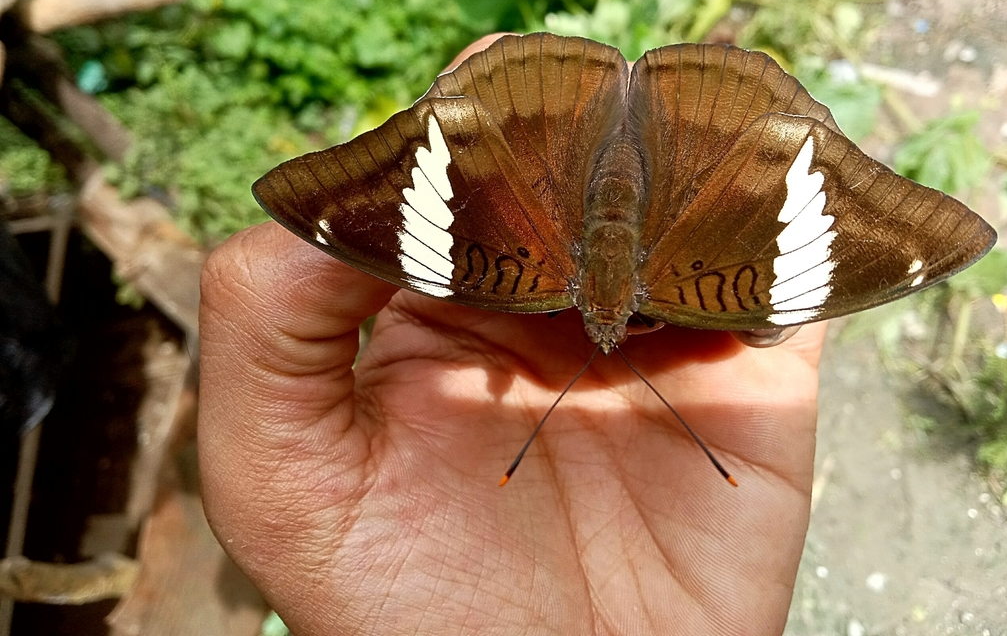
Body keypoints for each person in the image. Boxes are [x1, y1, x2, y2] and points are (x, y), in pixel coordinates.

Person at [197, 37, 827, 636]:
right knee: (769, 297)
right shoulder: (606, 288)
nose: (608, 336)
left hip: (547, 124)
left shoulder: (520, 277)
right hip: (689, 146)